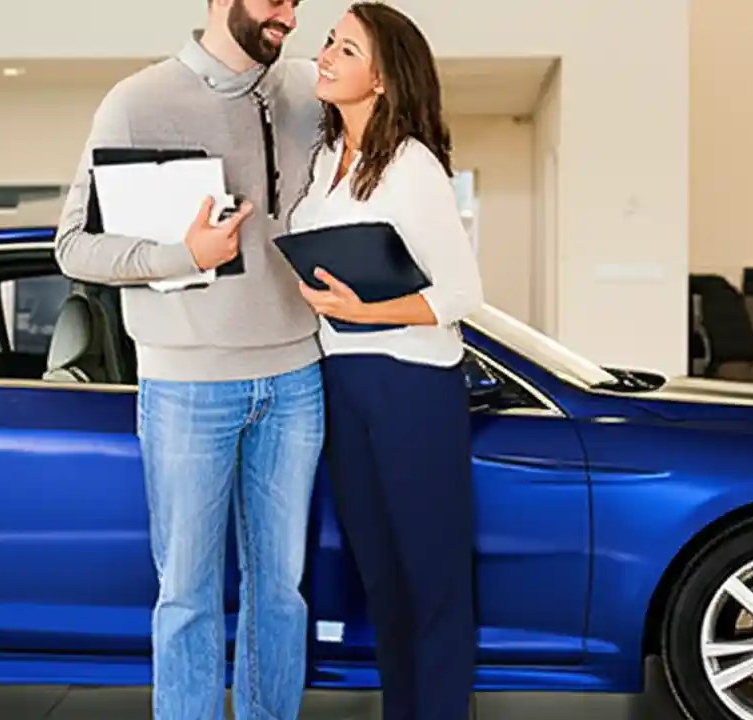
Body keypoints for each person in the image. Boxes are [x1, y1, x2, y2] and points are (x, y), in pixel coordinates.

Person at [52, 1, 325, 718]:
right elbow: (73, 246)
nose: (289, 17)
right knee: (187, 593)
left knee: (281, 591)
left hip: (298, 375)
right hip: (186, 383)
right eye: (274, 1)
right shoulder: (137, 103)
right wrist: (184, 256)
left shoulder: (304, 89)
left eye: (296, 3)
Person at [287, 4, 485, 719]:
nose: (327, 56)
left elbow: (462, 293)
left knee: (431, 582)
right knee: (384, 580)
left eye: (347, 48)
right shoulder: (320, 164)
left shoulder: (411, 165)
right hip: (341, 382)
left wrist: (366, 310)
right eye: (328, 43)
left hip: (411, 385)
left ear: (382, 78)